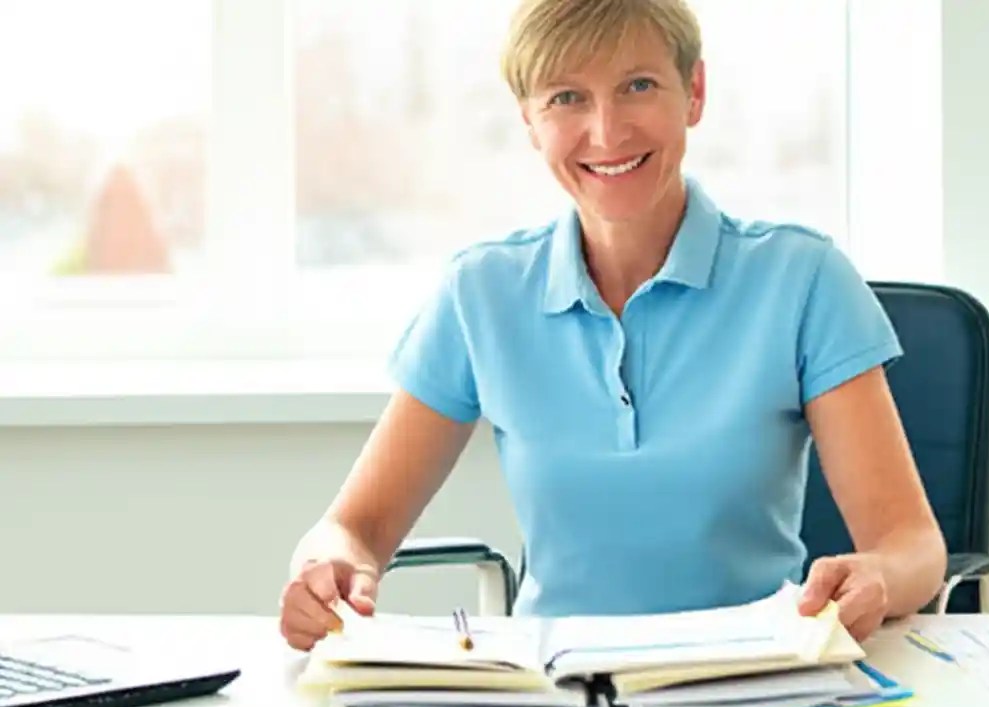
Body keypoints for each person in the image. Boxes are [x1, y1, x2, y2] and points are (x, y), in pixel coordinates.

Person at [279, 0, 946, 653]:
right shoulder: (480, 293)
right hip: (555, 690)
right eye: (567, 98)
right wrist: (328, 565)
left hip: (753, 680)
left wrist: (879, 578)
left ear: (695, 92)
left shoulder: (804, 279)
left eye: (638, 85)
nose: (606, 131)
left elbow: (911, 545)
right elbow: (353, 528)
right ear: (529, 122)